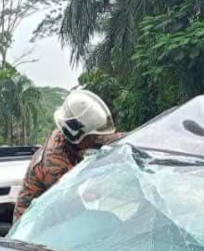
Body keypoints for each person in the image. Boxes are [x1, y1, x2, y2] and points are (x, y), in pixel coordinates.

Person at [13, 88, 122, 222]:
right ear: (77, 136)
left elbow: (106, 139)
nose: (95, 140)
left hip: (54, 209)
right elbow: (73, 204)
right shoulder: (55, 164)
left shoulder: (67, 135)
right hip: (34, 223)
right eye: (92, 137)